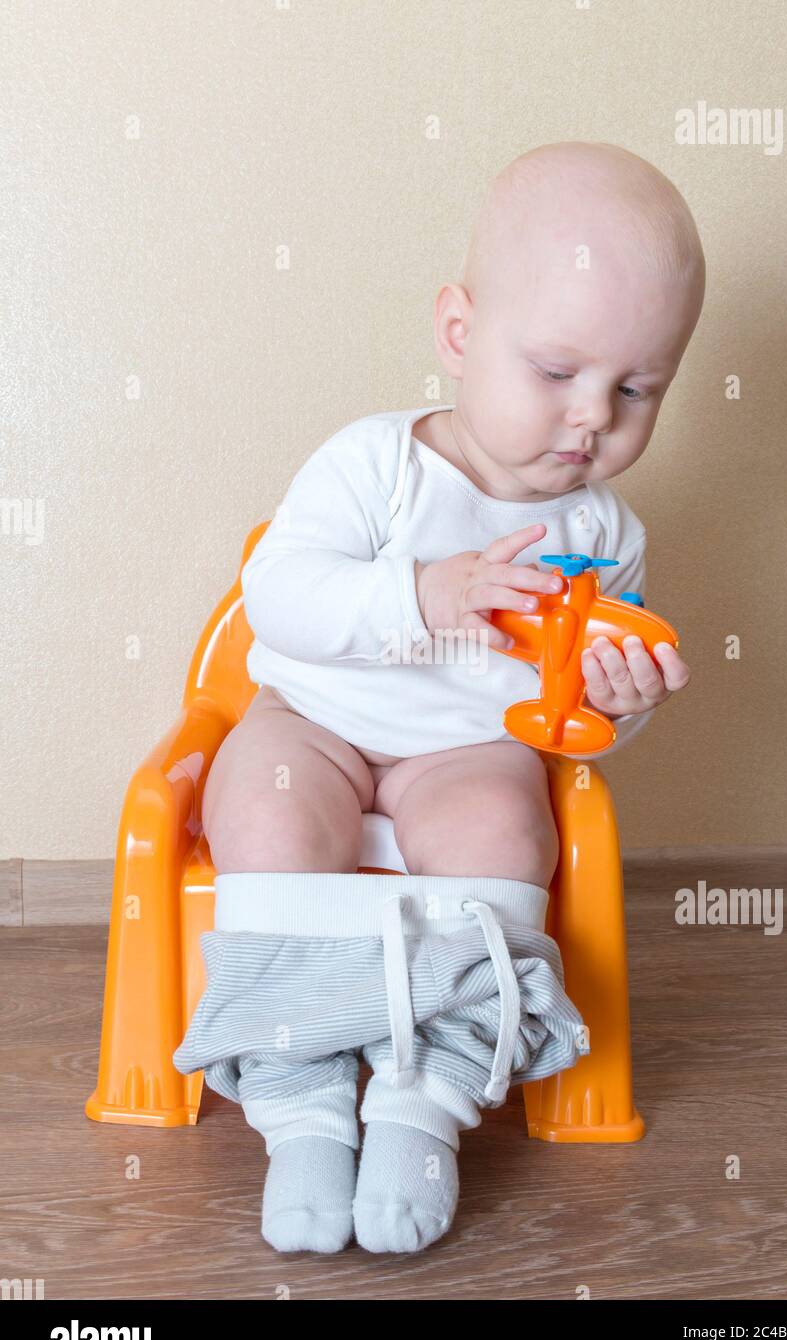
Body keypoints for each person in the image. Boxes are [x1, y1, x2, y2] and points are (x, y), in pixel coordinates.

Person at [173, 141, 702, 1255]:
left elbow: (577, 721)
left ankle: (429, 1094)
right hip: (312, 723)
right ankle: (299, 1090)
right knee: (264, 809)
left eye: (636, 387)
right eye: (558, 371)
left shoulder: (604, 533)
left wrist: (619, 700)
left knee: (510, 825)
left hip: (466, 747)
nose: (592, 418)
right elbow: (280, 597)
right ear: (459, 334)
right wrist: (424, 594)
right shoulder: (376, 466)